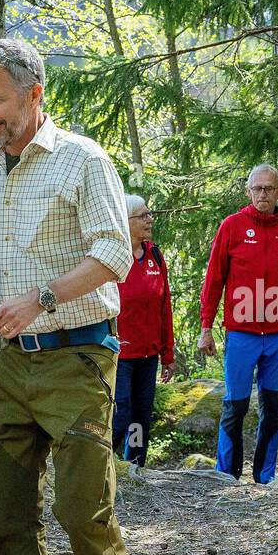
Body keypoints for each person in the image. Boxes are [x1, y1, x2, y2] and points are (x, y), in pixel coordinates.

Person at [0, 37, 153, 555]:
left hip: (78, 358)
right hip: (10, 365)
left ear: (34, 94)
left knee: (81, 513)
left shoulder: (83, 159)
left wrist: (43, 297)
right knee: (7, 523)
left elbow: (114, 252)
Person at [197, 164, 278, 484]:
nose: (262, 194)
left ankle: (264, 477)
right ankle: (226, 476)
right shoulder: (232, 226)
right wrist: (206, 327)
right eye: (257, 189)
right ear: (248, 192)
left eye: (269, 189)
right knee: (236, 406)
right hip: (242, 333)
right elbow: (214, 280)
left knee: (273, 409)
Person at [113, 194, 175, 466]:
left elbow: (164, 307)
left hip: (148, 356)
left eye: (149, 214)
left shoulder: (155, 255)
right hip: (119, 356)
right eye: (142, 216)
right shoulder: (113, 256)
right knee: (120, 414)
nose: (149, 220)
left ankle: (134, 466)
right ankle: (106, 464)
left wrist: (167, 354)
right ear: (124, 221)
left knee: (140, 417)